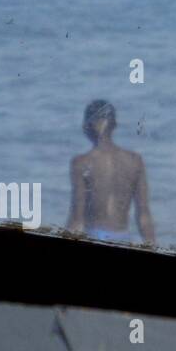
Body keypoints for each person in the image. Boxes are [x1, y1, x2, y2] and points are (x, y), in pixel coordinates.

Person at [66, 100, 155, 245]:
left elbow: (77, 219)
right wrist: (152, 245)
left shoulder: (81, 163)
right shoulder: (134, 161)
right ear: (115, 125)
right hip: (123, 239)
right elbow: (144, 215)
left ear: (86, 127)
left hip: (93, 236)